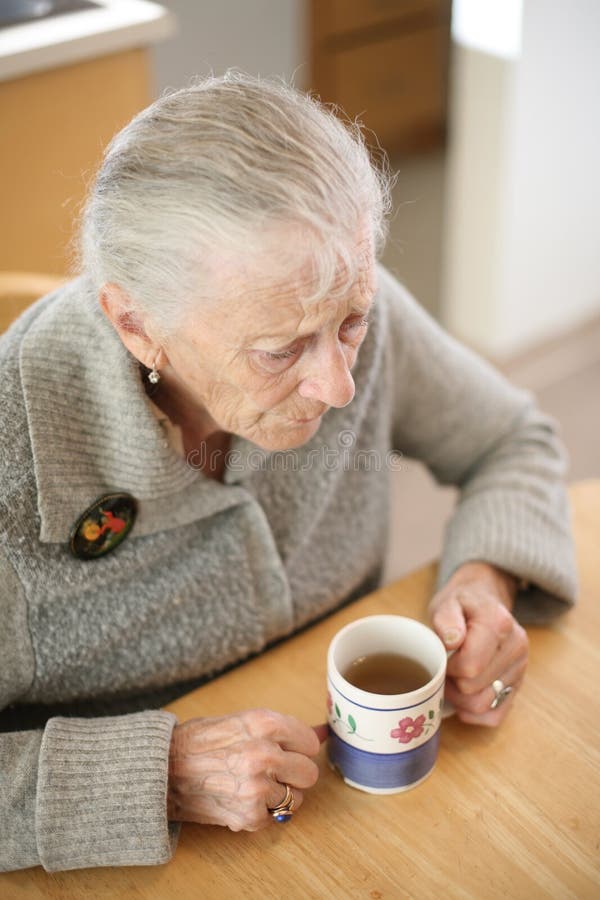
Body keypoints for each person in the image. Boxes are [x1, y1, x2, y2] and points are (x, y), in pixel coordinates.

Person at [0, 72, 577, 873]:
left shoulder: (321, 292)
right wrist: (157, 777)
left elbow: (512, 437)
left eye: (353, 321)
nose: (340, 387)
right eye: (279, 352)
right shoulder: (12, 465)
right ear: (136, 325)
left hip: (359, 823)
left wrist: (486, 578)